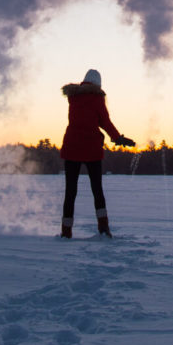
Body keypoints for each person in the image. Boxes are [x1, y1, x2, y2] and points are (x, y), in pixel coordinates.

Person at [59, 68, 134, 238]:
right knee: (97, 190)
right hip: (91, 149)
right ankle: (103, 228)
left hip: (71, 147)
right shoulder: (97, 99)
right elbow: (105, 122)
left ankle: (66, 230)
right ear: (98, 84)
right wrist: (118, 138)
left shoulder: (73, 97)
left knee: (70, 192)